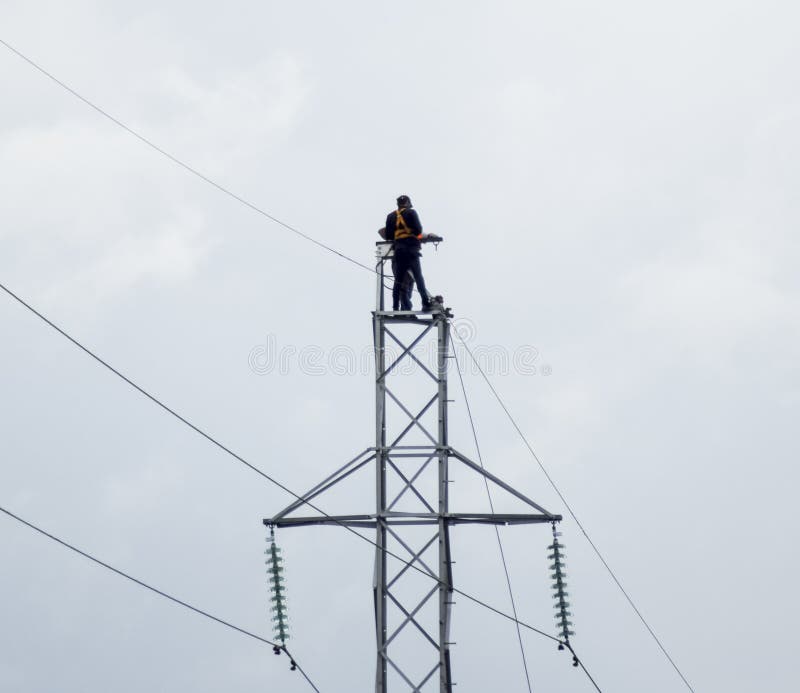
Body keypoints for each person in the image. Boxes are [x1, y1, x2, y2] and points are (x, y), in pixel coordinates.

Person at [384, 195, 432, 311]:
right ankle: (425, 303)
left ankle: (395, 307)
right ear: (408, 203)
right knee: (418, 278)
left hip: (399, 252)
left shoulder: (390, 216)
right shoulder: (411, 213)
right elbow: (418, 230)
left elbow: (389, 235)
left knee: (398, 281)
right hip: (411, 251)